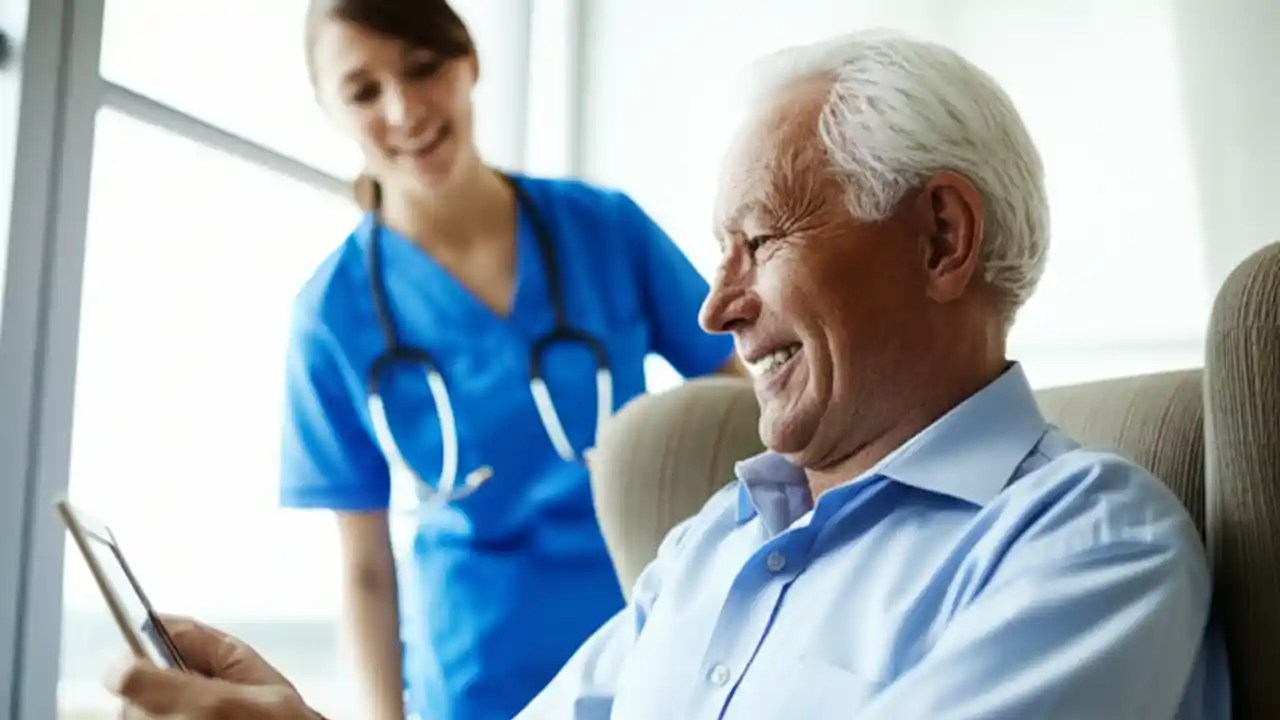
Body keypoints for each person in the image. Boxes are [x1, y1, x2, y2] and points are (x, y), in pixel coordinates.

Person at [104, 29, 1230, 719]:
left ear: (939, 238)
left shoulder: (1083, 548)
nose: (713, 305)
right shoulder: (709, 547)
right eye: (716, 252)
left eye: (760, 239)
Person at [278, 2, 739, 719]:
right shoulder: (330, 315)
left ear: (470, 62)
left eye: (423, 68)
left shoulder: (606, 229)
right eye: (363, 91)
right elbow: (366, 570)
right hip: (473, 681)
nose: (403, 109)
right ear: (327, 108)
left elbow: (742, 405)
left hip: (651, 642)